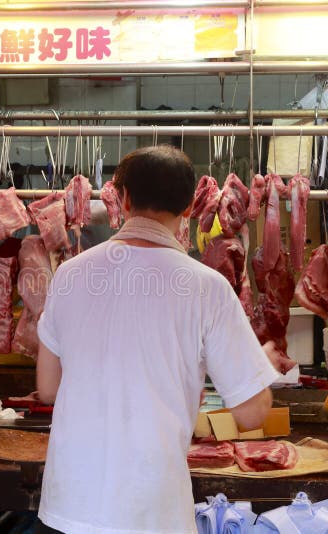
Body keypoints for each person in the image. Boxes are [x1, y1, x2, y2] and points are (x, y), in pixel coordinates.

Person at [36, 145, 280, 534]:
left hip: (68, 508)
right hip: (151, 515)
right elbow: (251, 413)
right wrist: (261, 367)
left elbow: (48, 388)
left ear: (125, 198)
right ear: (188, 209)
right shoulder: (208, 288)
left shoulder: (69, 275)